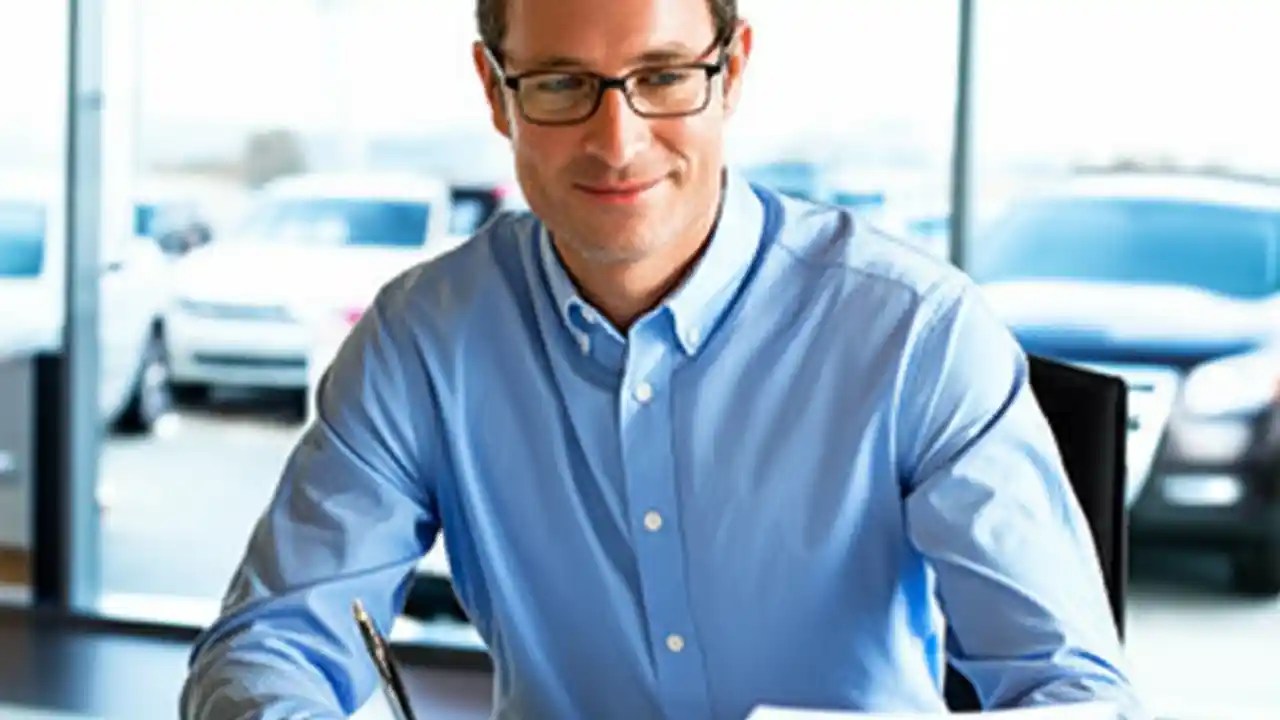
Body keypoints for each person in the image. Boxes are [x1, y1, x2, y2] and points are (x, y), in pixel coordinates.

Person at [182, 0, 1148, 718]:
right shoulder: (421, 338)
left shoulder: (916, 333)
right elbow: (268, 647)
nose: (616, 140)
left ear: (732, 71)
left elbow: (1072, 691)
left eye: (662, 75)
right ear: (494, 90)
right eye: (561, 83)